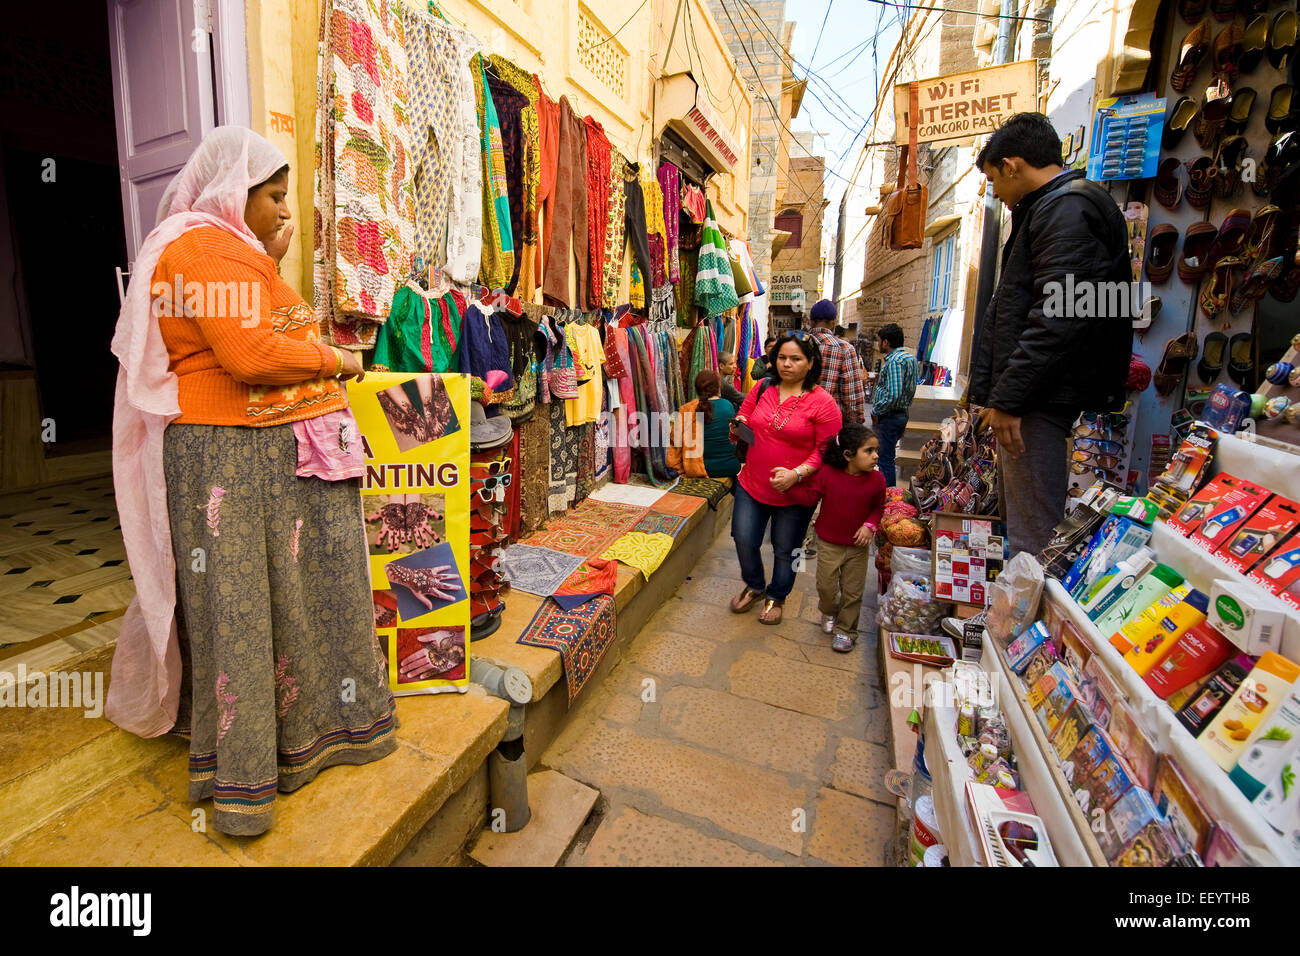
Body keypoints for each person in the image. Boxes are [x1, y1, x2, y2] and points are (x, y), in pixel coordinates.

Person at [108, 127, 397, 836]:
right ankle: (244, 782)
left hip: (262, 453)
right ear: (232, 191)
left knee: (287, 603)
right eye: (273, 196)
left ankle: (309, 738)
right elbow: (250, 354)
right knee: (241, 610)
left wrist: (272, 258)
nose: (285, 211)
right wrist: (338, 363)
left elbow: (277, 326)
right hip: (228, 457)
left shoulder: (232, 252)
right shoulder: (200, 249)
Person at [969, 112, 1132, 557]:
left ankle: (1026, 603)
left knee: (1033, 536)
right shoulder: (1063, 206)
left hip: (1041, 396)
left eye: (993, 180)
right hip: (1043, 391)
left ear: (1012, 165)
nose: (995, 193)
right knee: (1025, 524)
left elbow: (1058, 318)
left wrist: (1010, 398)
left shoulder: (1066, 208)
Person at [729, 331, 843, 624]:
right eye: (781, 357)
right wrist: (739, 425)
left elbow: (825, 450)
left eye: (796, 359)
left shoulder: (823, 403)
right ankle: (755, 585)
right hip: (752, 483)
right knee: (743, 537)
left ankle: (777, 596)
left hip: (796, 492)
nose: (787, 364)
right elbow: (746, 414)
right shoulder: (763, 387)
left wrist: (796, 474)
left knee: (787, 550)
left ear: (810, 362)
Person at [787, 423, 886, 652]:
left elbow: (878, 508)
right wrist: (788, 486)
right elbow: (810, 497)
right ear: (848, 455)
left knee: (853, 591)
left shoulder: (877, 481)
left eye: (876, 450)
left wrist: (869, 526)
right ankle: (829, 611)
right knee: (826, 587)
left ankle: (846, 630)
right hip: (829, 543)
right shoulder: (827, 474)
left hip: (858, 547)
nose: (876, 456)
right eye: (869, 451)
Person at [667, 370, 741, 479]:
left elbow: (674, 443)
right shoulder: (728, 405)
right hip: (730, 466)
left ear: (697, 389)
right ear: (718, 388)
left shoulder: (688, 409)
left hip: (701, 468)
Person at [871, 322, 917, 486]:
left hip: (890, 416)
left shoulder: (894, 362)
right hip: (901, 413)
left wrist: (877, 410)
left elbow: (894, 394)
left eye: (879, 341)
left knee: (885, 460)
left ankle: (888, 495)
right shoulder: (909, 359)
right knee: (887, 457)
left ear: (886, 342)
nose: (878, 344)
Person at [807, 298, 866, 425]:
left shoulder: (797, 344)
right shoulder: (845, 349)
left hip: (797, 420)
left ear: (810, 322)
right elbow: (852, 395)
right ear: (833, 322)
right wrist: (856, 423)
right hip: (830, 421)